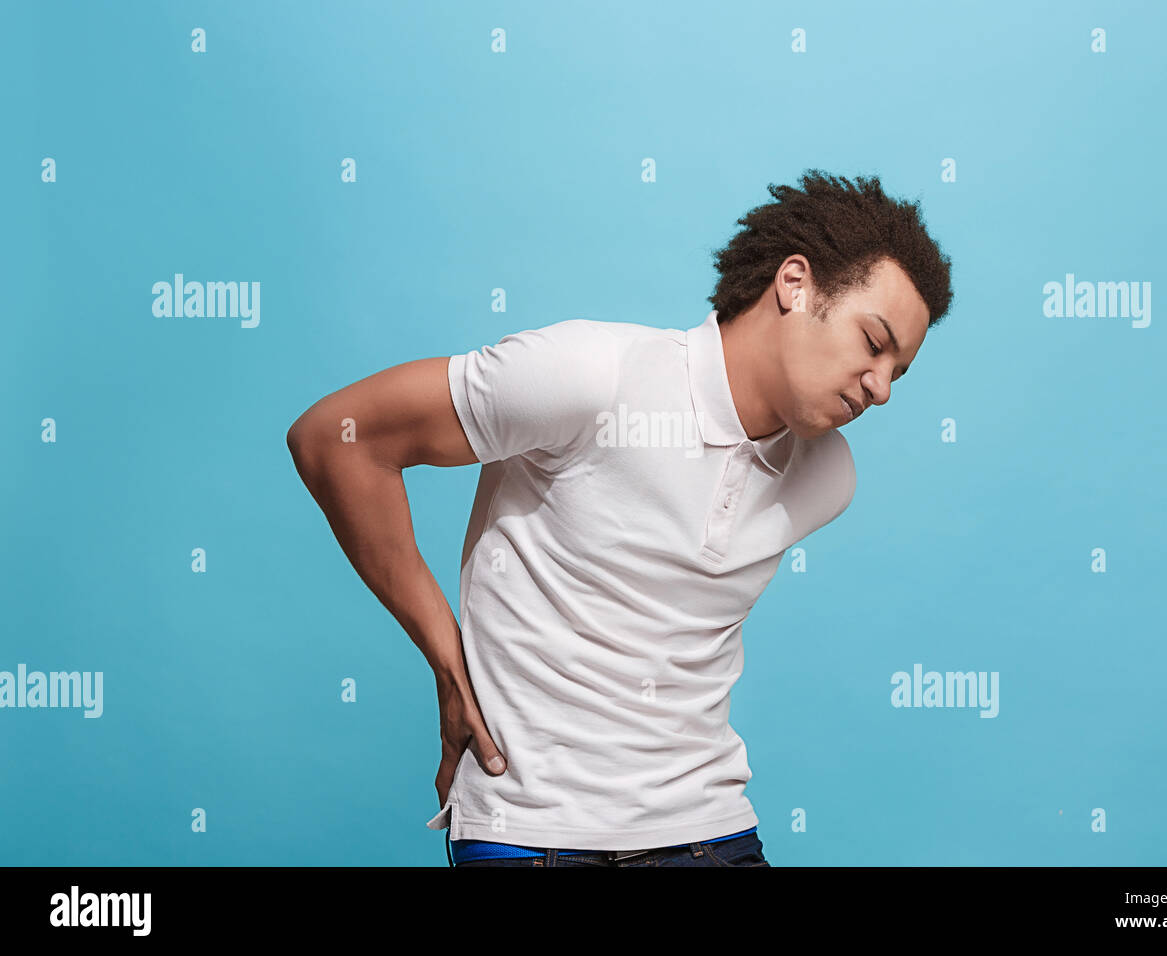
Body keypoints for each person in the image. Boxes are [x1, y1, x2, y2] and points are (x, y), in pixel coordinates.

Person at [286, 169, 954, 867]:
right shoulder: (592, 374)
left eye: (898, 373)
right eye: (873, 342)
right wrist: (448, 664)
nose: (880, 388)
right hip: (532, 832)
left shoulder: (828, 476)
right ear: (795, 283)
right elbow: (337, 439)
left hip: (712, 830)